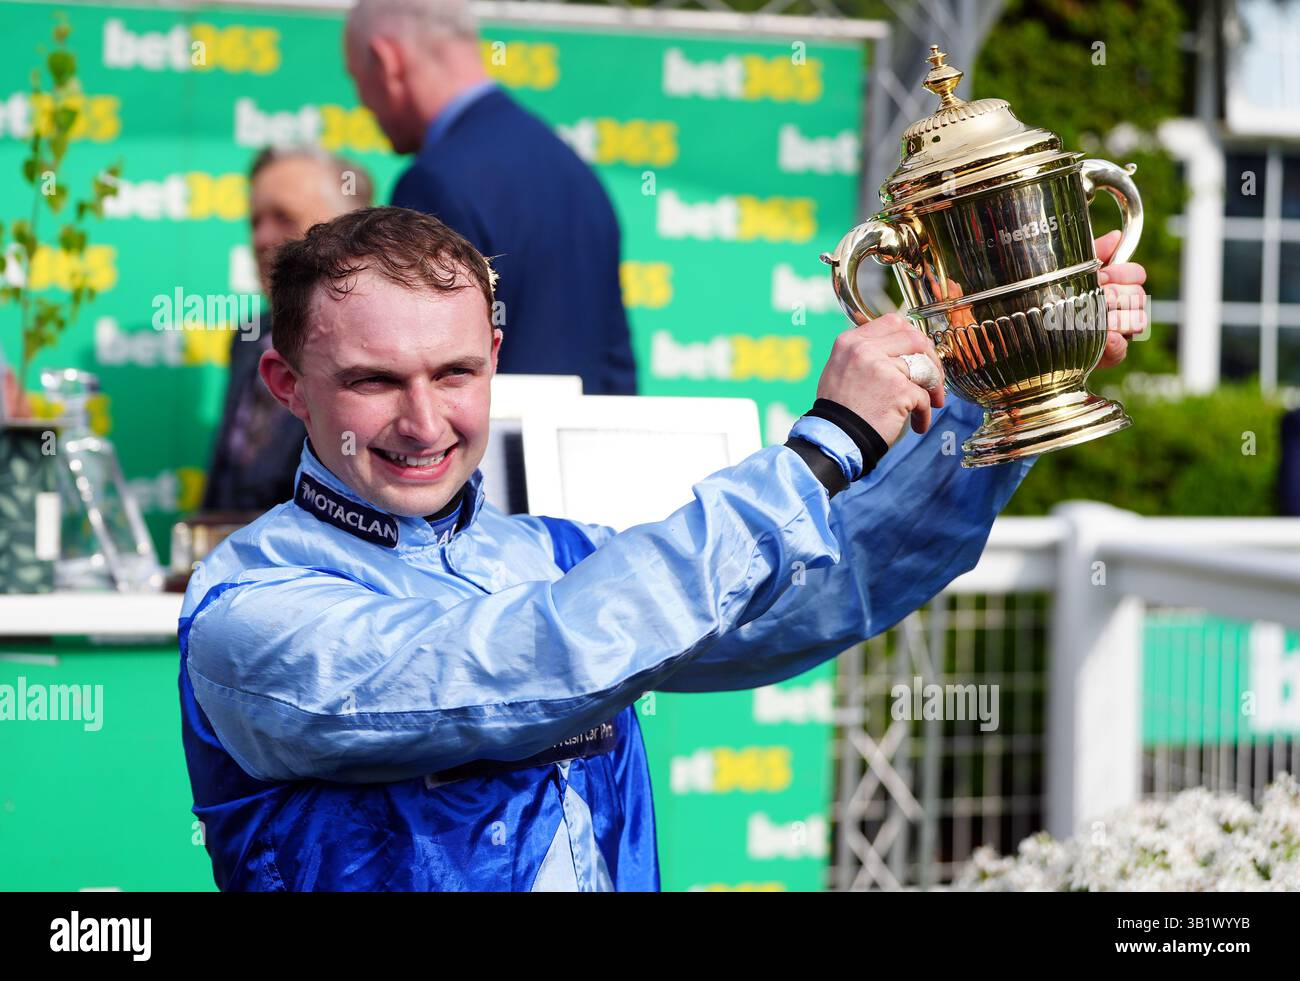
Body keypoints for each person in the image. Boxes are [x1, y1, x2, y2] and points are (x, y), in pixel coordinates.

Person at [178, 207, 1147, 891]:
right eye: (373, 380)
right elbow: (529, 660)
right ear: (285, 381)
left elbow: (827, 585)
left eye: (455, 370)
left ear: (493, 365)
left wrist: (1009, 385)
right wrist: (815, 453)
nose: (423, 418)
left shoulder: (550, 551)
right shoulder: (247, 610)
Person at [343, 0, 637, 395]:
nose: (363, 104)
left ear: (386, 61)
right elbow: (614, 359)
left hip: (491, 451)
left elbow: (418, 374)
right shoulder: (573, 170)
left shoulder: (434, 183)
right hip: (584, 447)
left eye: (357, 79)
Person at [201, 146, 374, 512]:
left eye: (283, 217)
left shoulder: (379, 346)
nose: (262, 239)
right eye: (255, 222)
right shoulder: (250, 335)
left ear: (348, 225)